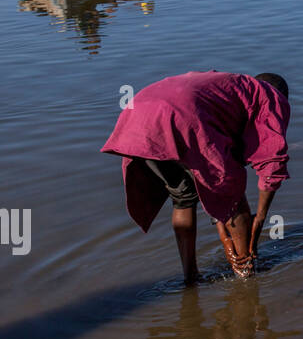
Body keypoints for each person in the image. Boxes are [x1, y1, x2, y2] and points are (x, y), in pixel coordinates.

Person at [101, 71, 291, 284]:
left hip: (137, 117)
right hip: (182, 118)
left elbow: (211, 179)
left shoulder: (228, 85)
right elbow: (272, 161)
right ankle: (245, 275)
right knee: (236, 201)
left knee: (183, 198)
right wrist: (259, 219)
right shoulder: (271, 96)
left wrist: (224, 236)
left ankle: (190, 279)